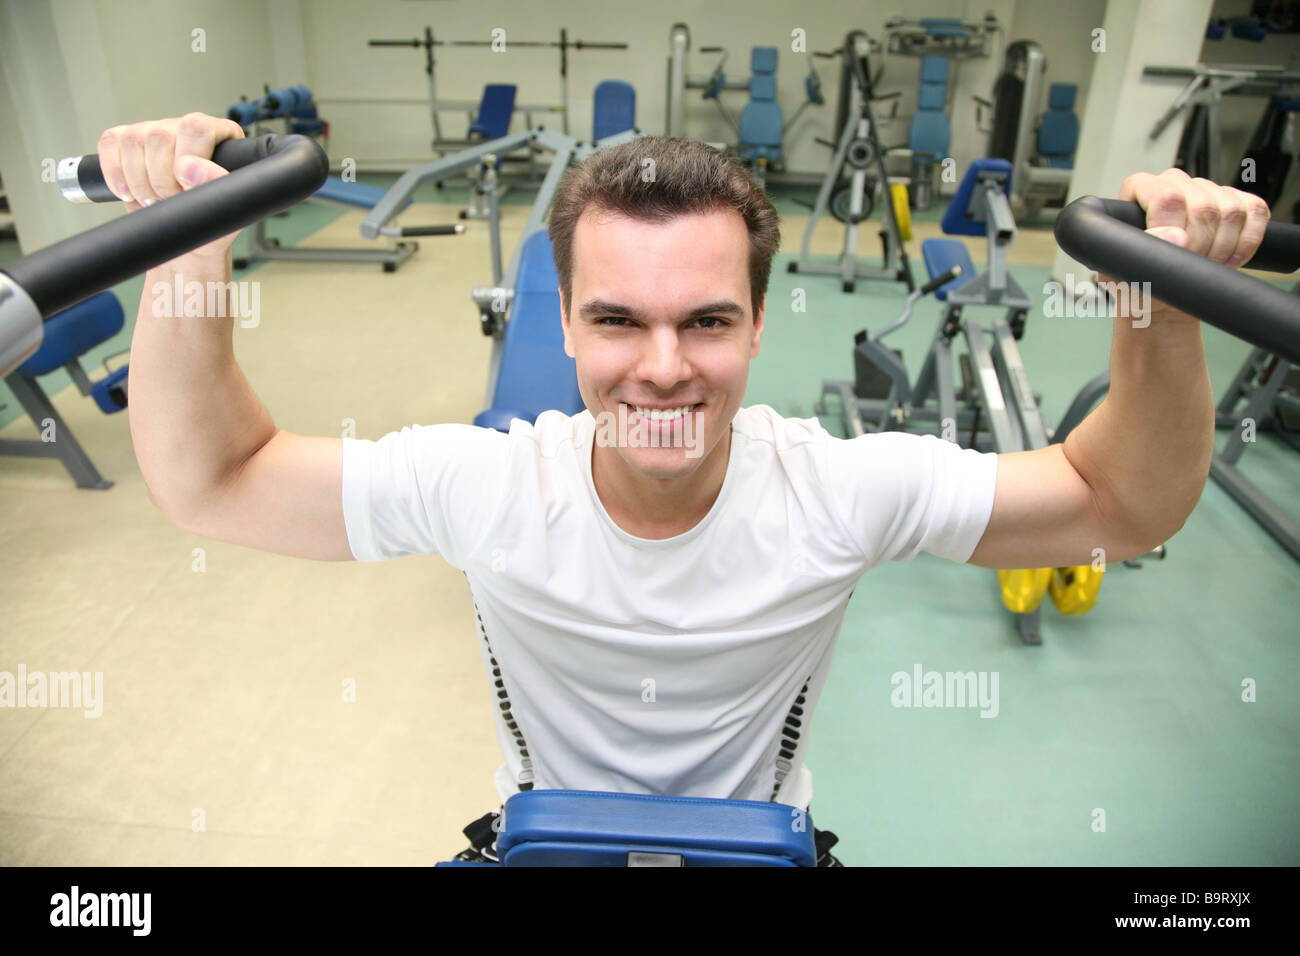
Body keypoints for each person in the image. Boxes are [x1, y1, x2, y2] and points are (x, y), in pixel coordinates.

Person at [98, 113, 1269, 866]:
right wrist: (187, 243)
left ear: (760, 323)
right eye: (617, 320)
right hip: (541, 849)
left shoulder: (837, 490)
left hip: (761, 852)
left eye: (706, 320)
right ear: (563, 324)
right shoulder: (490, 482)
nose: (662, 364)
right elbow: (214, 481)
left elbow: (1120, 501)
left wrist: (1159, 306)